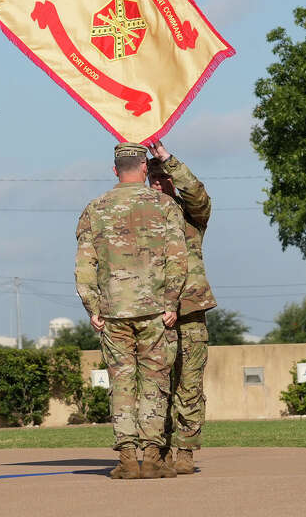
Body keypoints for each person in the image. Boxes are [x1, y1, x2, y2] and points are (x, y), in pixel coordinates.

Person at [75, 142, 188, 480]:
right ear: (143, 168)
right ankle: (151, 457)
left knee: (122, 383)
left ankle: (126, 459)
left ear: (115, 170)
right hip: (155, 311)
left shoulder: (95, 208)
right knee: (155, 382)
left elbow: (84, 263)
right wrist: (171, 303)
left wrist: (92, 306)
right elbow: (178, 259)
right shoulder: (165, 205)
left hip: (113, 311)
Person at [147, 140, 217, 475]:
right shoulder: (142, 218)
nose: (159, 183)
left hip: (189, 311)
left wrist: (168, 160)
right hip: (152, 315)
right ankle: (157, 448)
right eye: (153, 178)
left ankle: (186, 449)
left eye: (164, 178)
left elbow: (199, 196)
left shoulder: (190, 215)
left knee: (189, 384)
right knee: (156, 386)